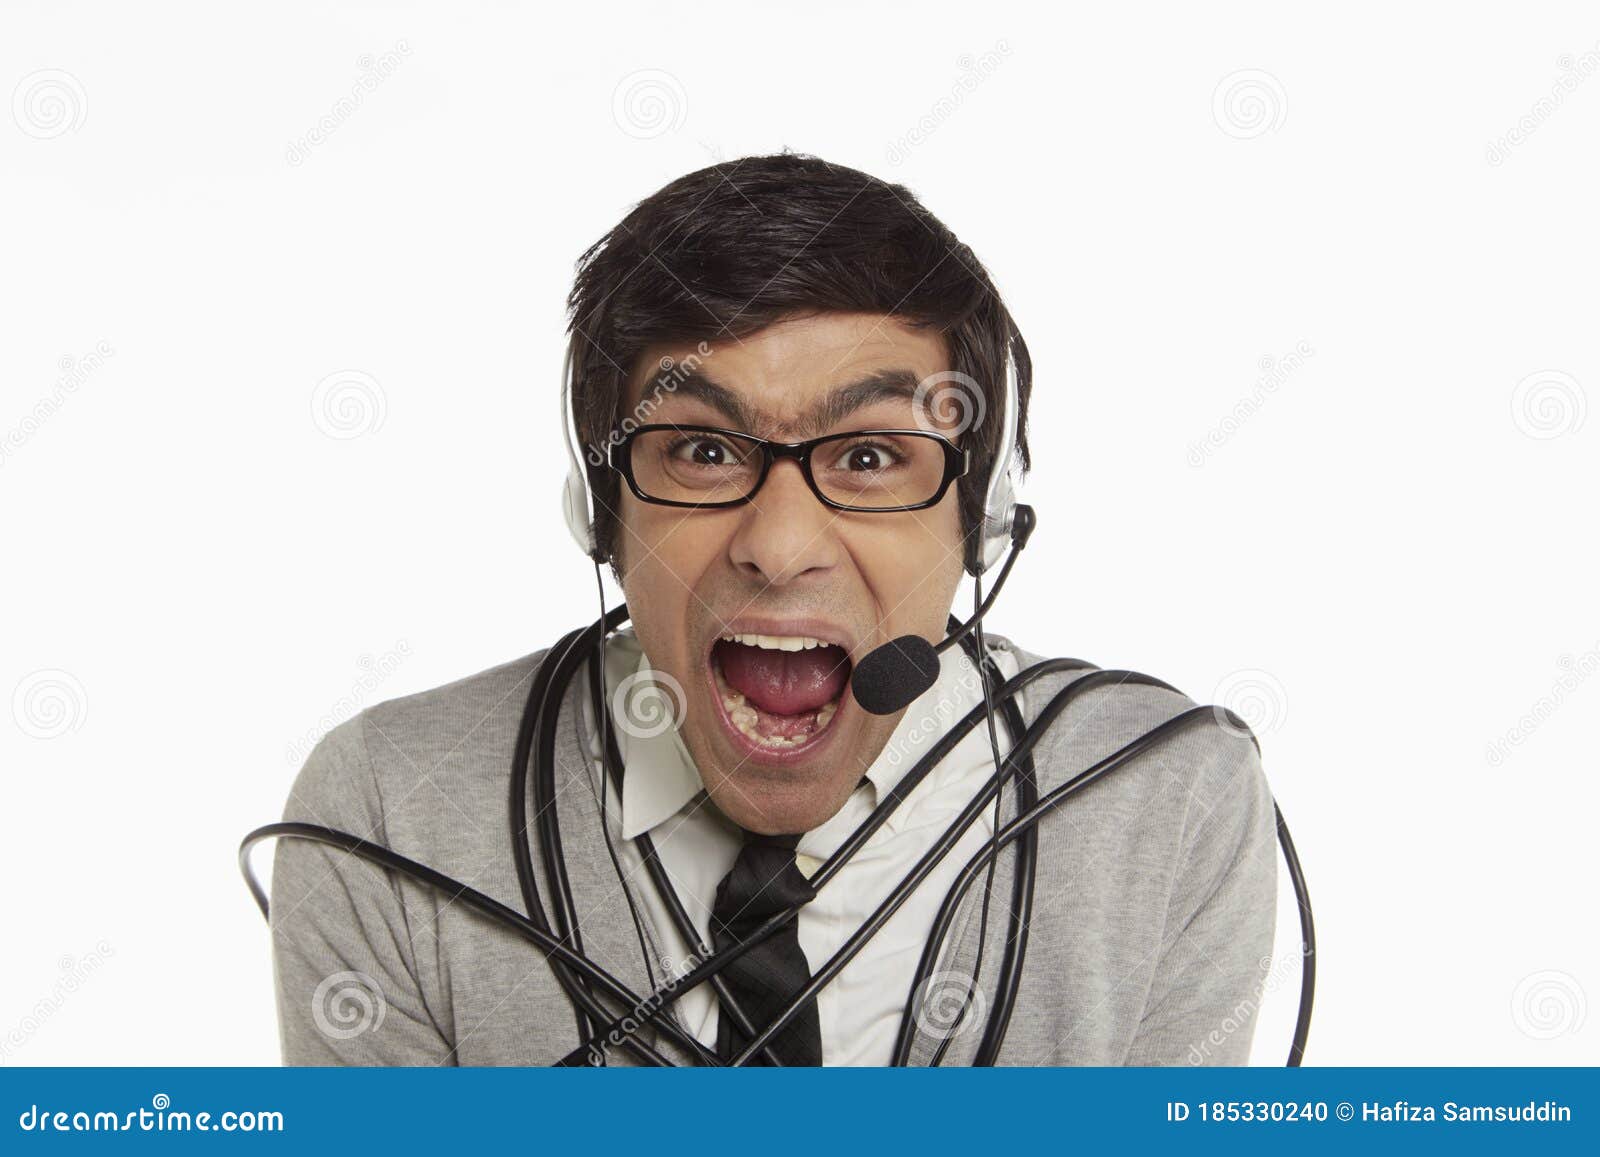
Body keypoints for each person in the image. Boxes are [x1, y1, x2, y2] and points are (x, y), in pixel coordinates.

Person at [268, 152, 1278, 1066]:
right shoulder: (391, 813)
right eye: (704, 450)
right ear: (601, 512)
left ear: (980, 521)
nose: (781, 546)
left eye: (869, 455)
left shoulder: (1163, 798)